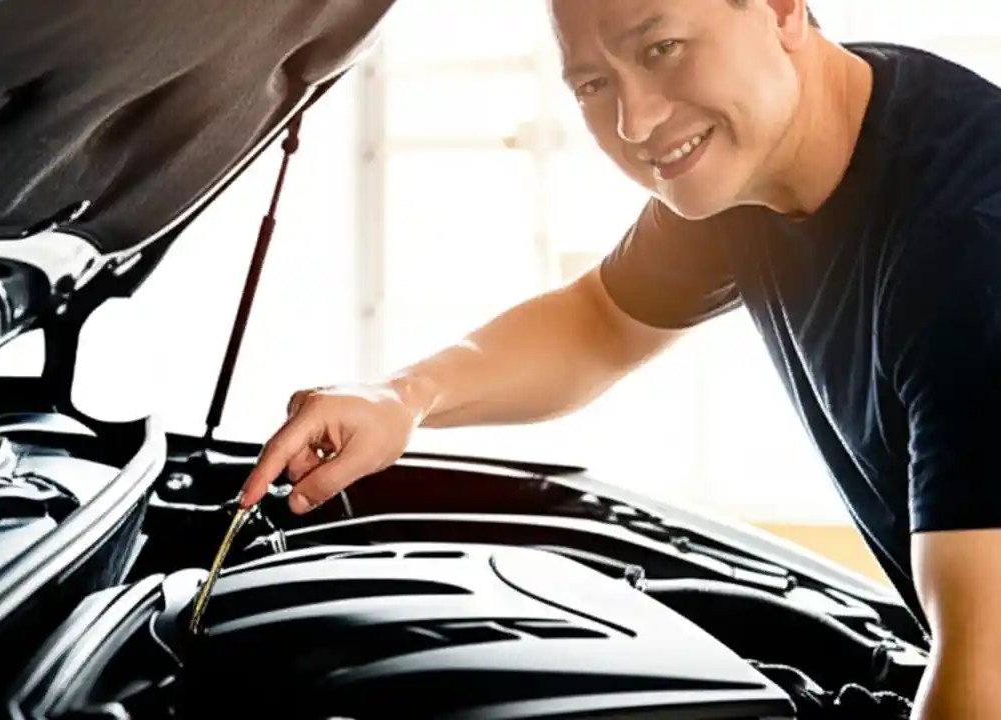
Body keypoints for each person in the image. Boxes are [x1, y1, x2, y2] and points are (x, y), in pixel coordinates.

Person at [239, 1, 1001, 716]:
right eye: (594, 84)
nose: (635, 122)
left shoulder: (969, 250)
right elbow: (602, 322)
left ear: (779, 8)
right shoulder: (766, 154)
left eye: (663, 48)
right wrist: (404, 398)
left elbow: (987, 673)